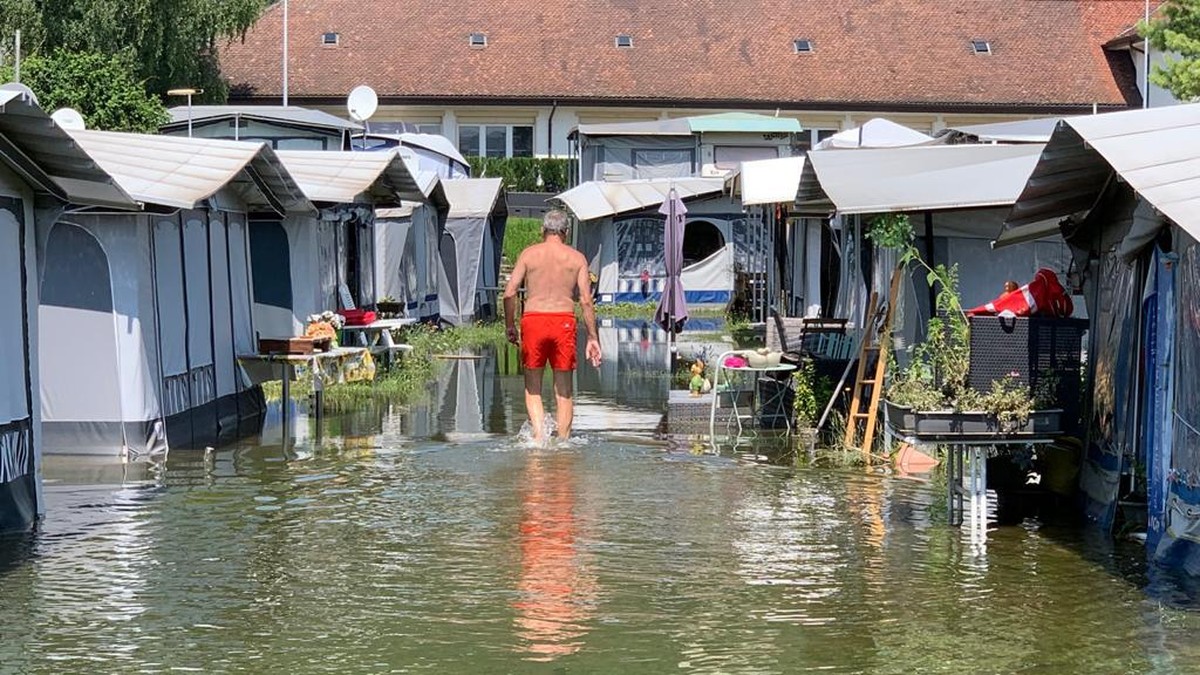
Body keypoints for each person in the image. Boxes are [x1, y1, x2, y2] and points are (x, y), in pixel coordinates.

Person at [504, 210, 602, 442]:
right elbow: (586, 300)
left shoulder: (529, 255)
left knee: (533, 387)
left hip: (533, 320)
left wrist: (510, 325)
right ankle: (563, 442)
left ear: (542, 230)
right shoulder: (577, 259)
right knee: (564, 390)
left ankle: (538, 439)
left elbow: (509, 293)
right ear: (566, 233)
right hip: (564, 322)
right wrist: (592, 337)